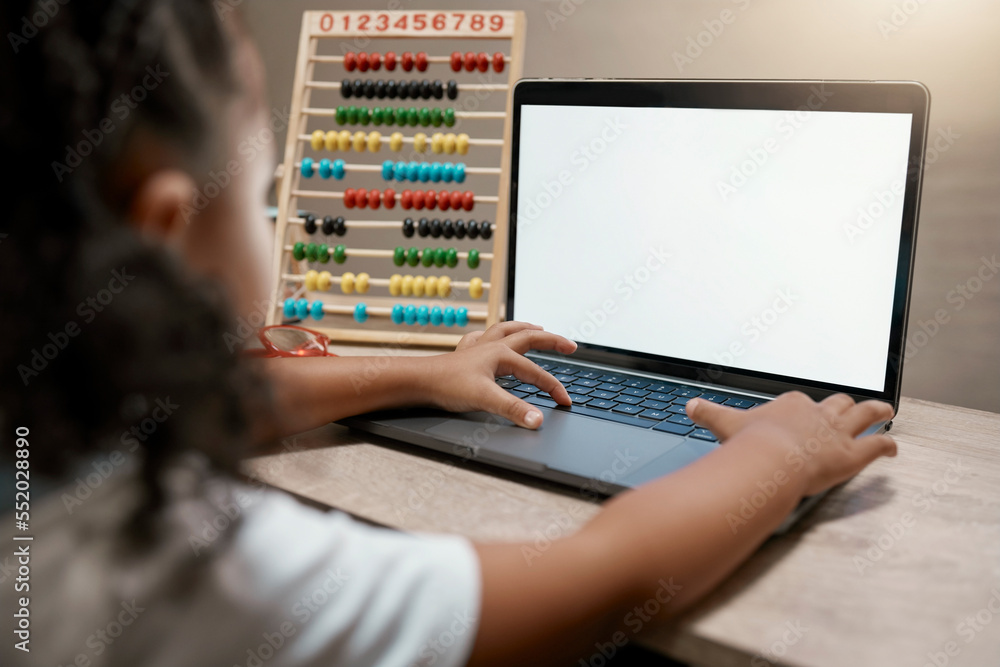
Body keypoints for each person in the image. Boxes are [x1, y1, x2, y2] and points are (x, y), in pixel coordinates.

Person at [0, 1, 897, 665]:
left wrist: (423, 372)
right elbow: (604, 579)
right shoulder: (169, 567)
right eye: (263, 192)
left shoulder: (45, 424)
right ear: (162, 234)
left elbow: (225, 392)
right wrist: (776, 457)